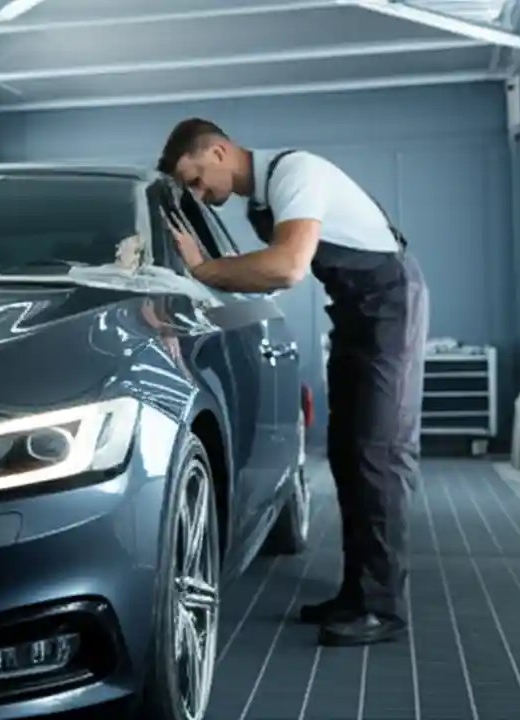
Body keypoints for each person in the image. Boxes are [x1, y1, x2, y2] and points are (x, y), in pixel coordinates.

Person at [156, 118, 429, 647]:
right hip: (355, 312)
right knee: (349, 455)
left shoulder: (293, 173)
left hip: (390, 303)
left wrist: (204, 271)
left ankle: (382, 608)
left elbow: (286, 267)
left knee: (379, 455)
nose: (199, 194)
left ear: (218, 151)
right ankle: (358, 592)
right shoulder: (262, 201)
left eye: (194, 179)